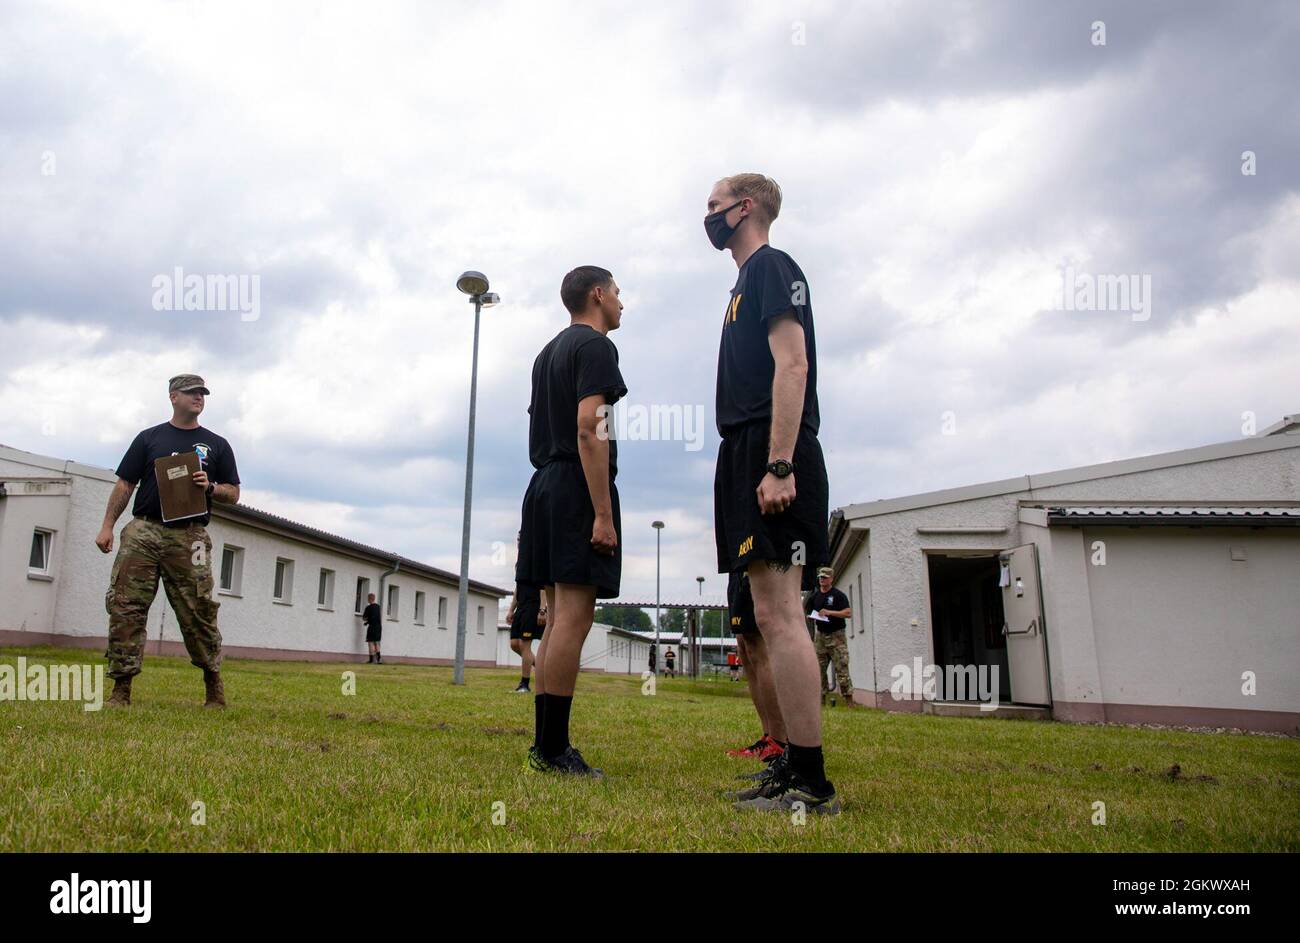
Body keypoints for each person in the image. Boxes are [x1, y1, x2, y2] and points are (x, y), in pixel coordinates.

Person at [706, 174, 840, 815]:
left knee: (783, 614)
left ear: (746, 207)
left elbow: (794, 363)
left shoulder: (771, 266)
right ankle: (787, 762)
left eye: (715, 205)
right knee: (766, 613)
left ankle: (812, 785)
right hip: (744, 450)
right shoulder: (741, 283)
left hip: (772, 448)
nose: (707, 216)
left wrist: (780, 463)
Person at [516, 265, 628, 778]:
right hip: (575, 488)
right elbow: (589, 428)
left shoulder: (546, 353)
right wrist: (602, 512)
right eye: (619, 294)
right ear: (598, 294)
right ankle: (555, 750)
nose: (623, 304)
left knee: (559, 620)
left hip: (543, 485)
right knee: (574, 620)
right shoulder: (596, 347)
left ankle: (546, 746)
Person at [95, 374, 240, 708]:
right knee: (125, 606)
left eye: (203, 393)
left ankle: (213, 685)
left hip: (190, 537)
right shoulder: (149, 438)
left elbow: (233, 492)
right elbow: (124, 484)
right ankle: (121, 690)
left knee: (198, 609)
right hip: (143, 531)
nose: (199, 398)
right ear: (173, 397)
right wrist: (107, 526)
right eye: (192, 393)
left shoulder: (217, 444)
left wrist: (212, 487)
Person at [723, 570, 786, 764]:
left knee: (757, 641)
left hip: (755, 556)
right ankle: (768, 736)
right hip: (736, 561)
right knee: (745, 643)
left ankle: (780, 741)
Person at [805, 566, 854, 705]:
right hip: (820, 636)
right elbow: (808, 612)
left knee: (842, 667)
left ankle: (849, 701)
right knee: (818, 669)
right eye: (820, 577)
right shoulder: (815, 597)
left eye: (825, 577)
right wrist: (811, 617)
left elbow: (848, 613)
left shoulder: (838, 595)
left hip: (837, 635)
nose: (822, 579)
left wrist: (830, 612)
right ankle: (821, 701)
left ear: (831, 579)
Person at [506, 536, 546, 692]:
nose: (519, 542)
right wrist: (511, 609)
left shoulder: (535, 560)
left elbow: (543, 588)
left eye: (521, 539)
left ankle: (524, 685)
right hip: (521, 607)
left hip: (533, 606)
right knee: (514, 644)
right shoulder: (519, 563)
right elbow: (518, 587)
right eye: (517, 539)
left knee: (524, 645)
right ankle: (543, 669)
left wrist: (543, 610)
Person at [362, 593, 382, 663]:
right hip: (378, 627)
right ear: (374, 598)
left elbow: (364, 618)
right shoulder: (378, 607)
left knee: (371, 643)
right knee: (377, 642)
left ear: (369, 599)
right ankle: (379, 659)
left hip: (372, 627)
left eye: (368, 599)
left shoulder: (368, 607)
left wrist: (367, 621)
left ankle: (371, 660)